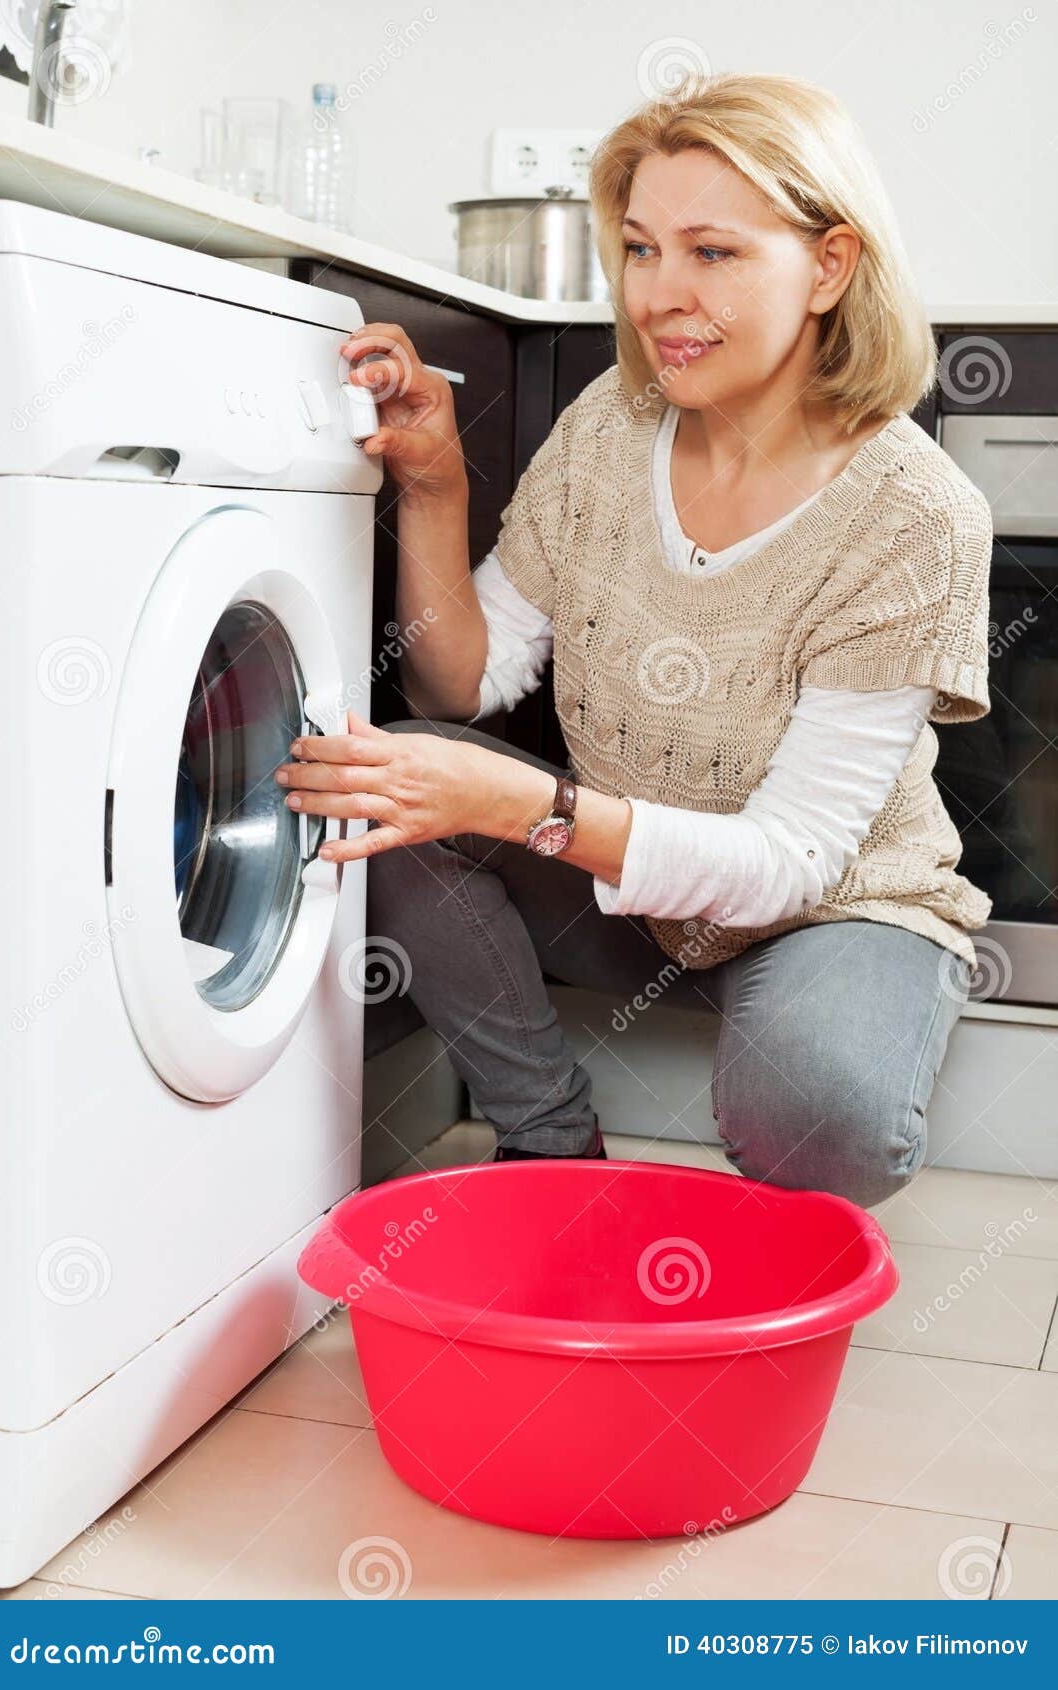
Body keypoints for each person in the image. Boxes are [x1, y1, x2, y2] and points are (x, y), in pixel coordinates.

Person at [275, 70, 994, 1209]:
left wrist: (525, 808)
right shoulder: (614, 421)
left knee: (819, 1111)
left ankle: (816, 1075)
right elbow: (461, 682)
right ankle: (548, 1141)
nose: (660, 293)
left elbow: (785, 862)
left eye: (711, 252)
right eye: (641, 248)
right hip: (626, 881)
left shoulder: (915, 516)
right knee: (379, 774)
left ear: (828, 265)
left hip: (827, 905)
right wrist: (435, 486)